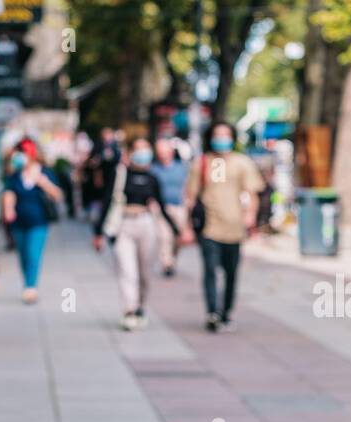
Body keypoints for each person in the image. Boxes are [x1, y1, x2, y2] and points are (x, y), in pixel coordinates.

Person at [181, 122, 264, 333]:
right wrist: (187, 226)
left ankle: (226, 311)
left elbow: (253, 193)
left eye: (225, 135)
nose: (221, 139)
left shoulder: (242, 163)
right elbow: (190, 196)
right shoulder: (201, 163)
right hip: (209, 226)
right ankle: (212, 312)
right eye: (217, 135)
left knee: (231, 272)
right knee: (210, 269)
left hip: (234, 227)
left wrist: (250, 218)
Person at [94, 138, 182, 331]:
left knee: (144, 273)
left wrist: (176, 230)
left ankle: (140, 306)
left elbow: (161, 205)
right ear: (130, 153)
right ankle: (129, 310)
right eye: (138, 150)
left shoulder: (153, 178)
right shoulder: (120, 175)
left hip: (146, 224)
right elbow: (107, 201)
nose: (142, 155)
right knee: (127, 270)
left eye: (145, 150)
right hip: (124, 224)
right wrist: (98, 232)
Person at [2, 140, 63, 304]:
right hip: (18, 222)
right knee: (22, 255)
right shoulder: (15, 175)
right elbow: (9, 192)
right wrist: (8, 209)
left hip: (39, 222)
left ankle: (31, 287)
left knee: (33, 253)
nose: (18, 157)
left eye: (21, 153)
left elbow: (58, 195)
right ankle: (28, 282)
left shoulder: (45, 172)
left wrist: (42, 182)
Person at [150, 137, 189, 276]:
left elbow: (187, 186)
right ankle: (167, 263)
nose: (162, 154)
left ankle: (173, 258)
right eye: (159, 151)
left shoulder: (182, 167)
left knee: (178, 238)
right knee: (164, 236)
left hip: (179, 206)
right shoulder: (154, 169)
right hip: (161, 207)